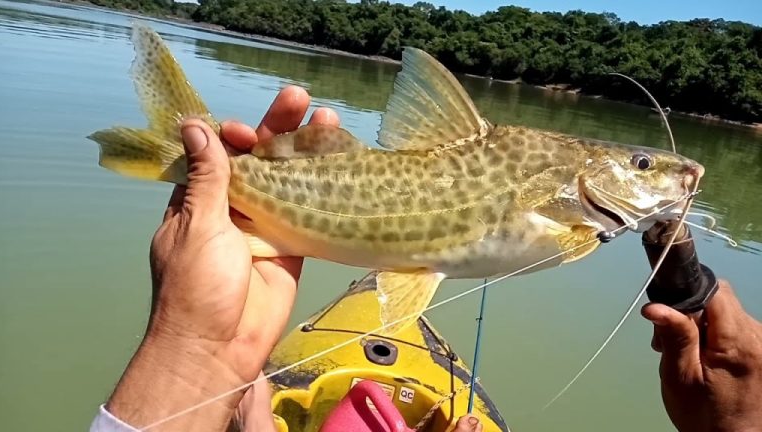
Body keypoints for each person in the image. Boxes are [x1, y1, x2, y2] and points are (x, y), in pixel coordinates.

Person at [90, 86, 762, 432]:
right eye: (642, 165)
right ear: (595, 174)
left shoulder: (581, 226)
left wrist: (191, 351)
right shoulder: (573, 225)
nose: (675, 172)